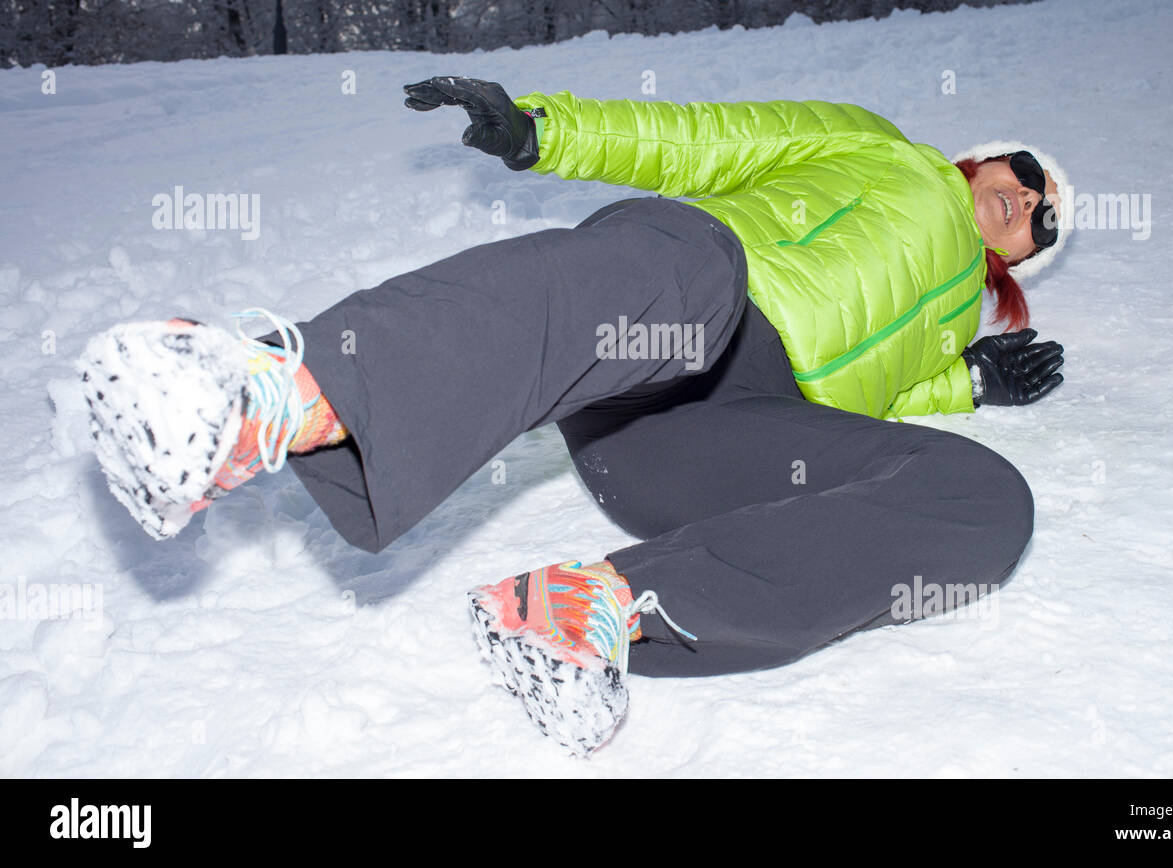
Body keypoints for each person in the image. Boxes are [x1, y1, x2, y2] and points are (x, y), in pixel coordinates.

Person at [77, 77, 1068, 755]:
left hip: (700, 442)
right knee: (703, 267)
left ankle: (589, 610)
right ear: (982, 158)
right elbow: (702, 141)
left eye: (1038, 214)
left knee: (982, 493)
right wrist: (546, 130)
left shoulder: (953, 324)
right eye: (1021, 172)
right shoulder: (874, 142)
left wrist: (967, 384)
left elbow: (886, 411)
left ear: (1018, 260)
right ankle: (268, 401)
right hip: (668, 308)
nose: (1020, 196)